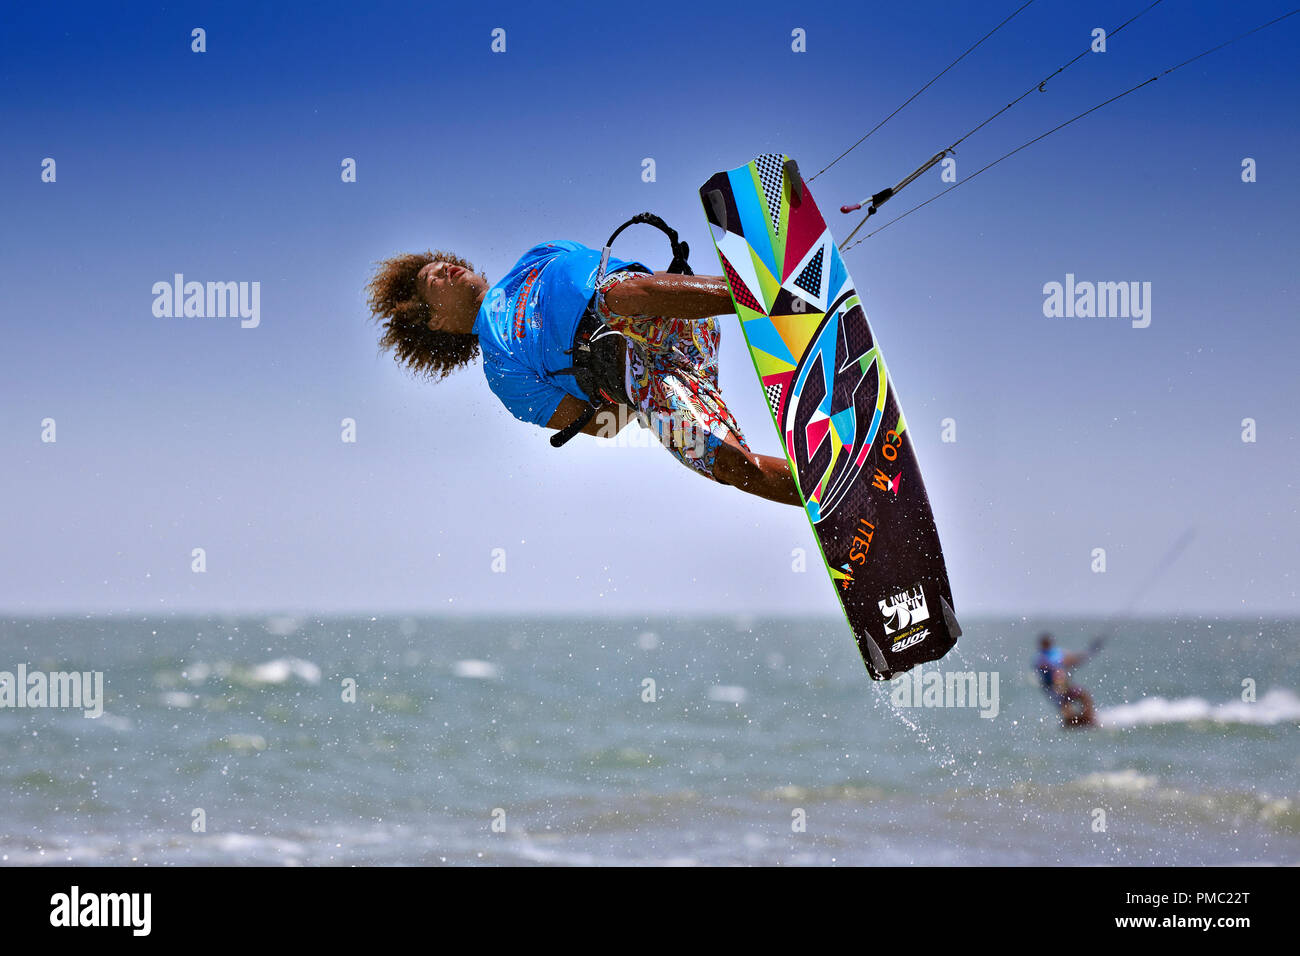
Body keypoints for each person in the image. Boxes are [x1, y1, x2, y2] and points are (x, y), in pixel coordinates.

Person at [365, 241, 801, 506]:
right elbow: (600, 426)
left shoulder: (537, 255)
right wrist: (653, 407)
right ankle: (825, 494)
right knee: (728, 466)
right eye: (433, 281)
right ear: (436, 321)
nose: (445, 268)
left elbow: (628, 275)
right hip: (650, 384)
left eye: (441, 264)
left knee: (614, 296)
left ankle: (771, 294)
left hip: (673, 317)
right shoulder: (502, 371)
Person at [1033, 633, 1100, 728]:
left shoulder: (1058, 652)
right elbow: (1042, 666)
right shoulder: (1039, 658)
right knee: (1064, 705)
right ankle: (1070, 720)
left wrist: (1090, 652)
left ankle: (1088, 717)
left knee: (1084, 695)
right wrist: (1056, 666)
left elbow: (1073, 659)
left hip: (1065, 685)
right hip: (1052, 688)